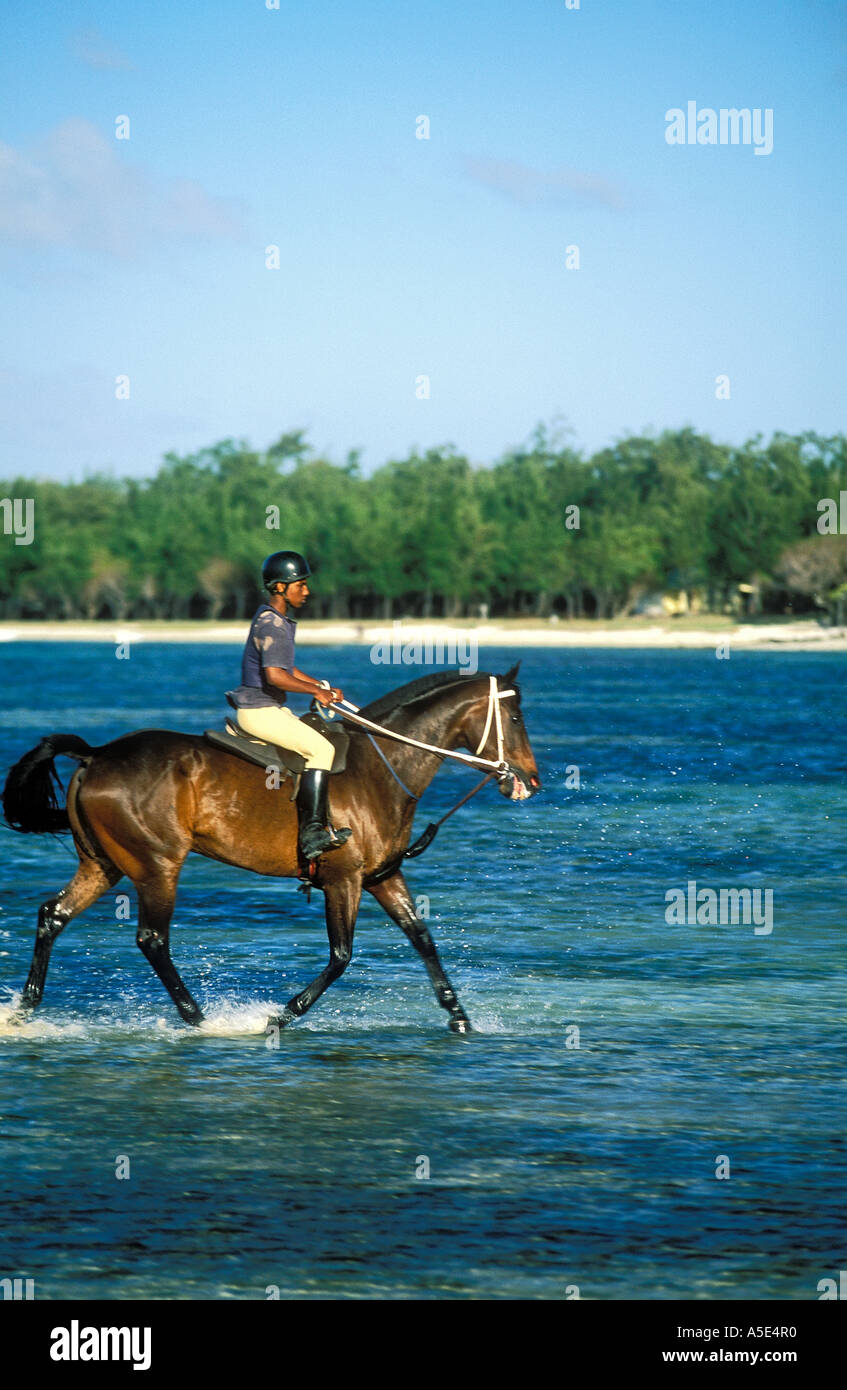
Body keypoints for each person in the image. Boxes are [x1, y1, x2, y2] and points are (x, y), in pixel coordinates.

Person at [226, 551, 352, 861]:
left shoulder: (273, 618)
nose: (306, 591)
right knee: (323, 751)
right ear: (281, 587)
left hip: (269, 709)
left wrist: (319, 687)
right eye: (301, 585)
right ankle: (312, 833)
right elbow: (275, 676)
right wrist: (314, 691)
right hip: (259, 712)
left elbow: (287, 670)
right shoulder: (273, 624)